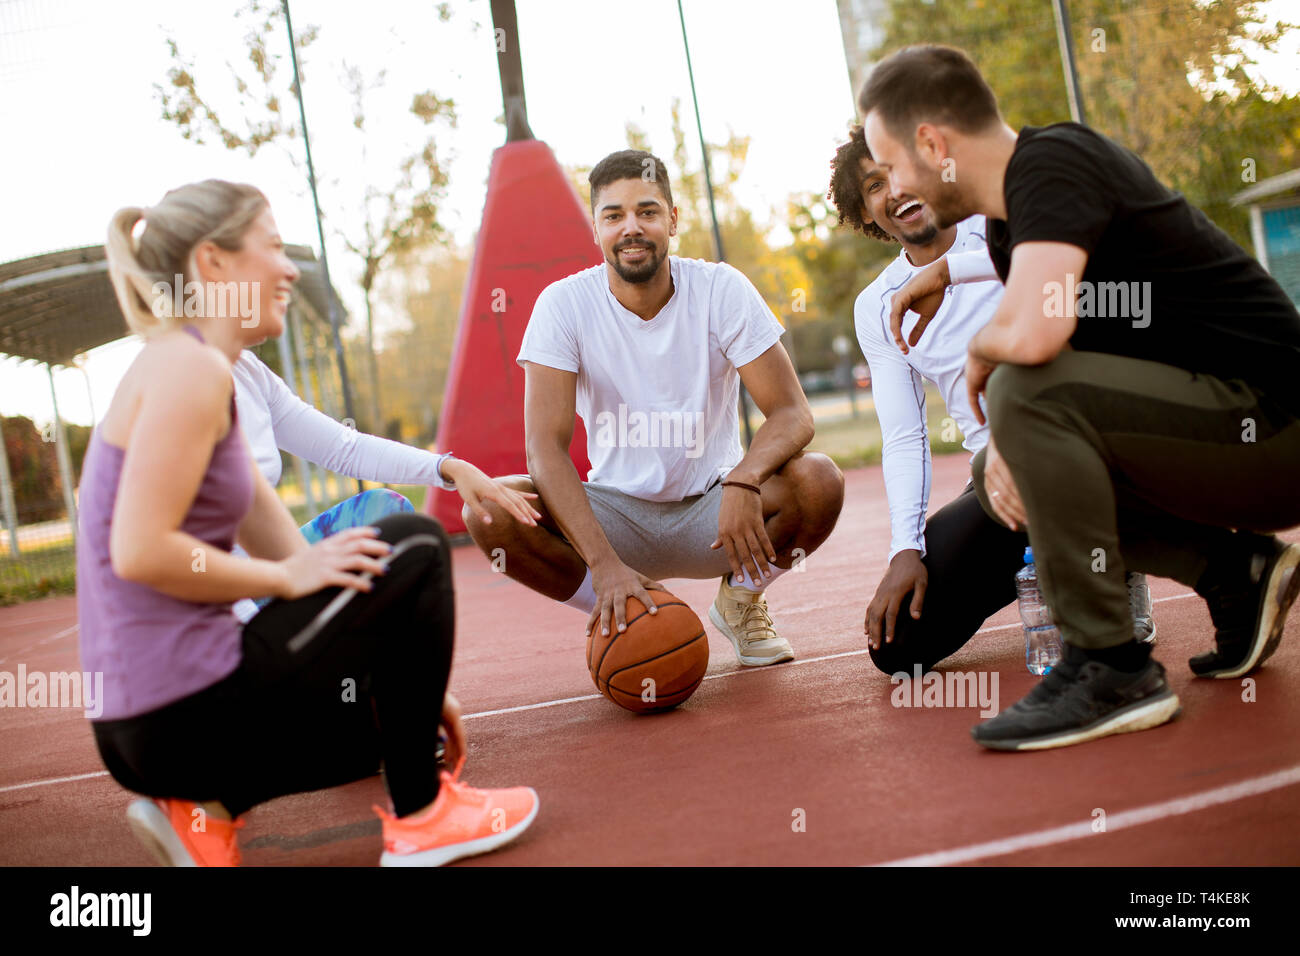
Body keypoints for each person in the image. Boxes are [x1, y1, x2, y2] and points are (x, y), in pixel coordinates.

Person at [79, 179, 538, 866]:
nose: (290, 267)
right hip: (176, 715)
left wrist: (410, 685)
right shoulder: (189, 371)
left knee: (377, 680)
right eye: (272, 245)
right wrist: (284, 574)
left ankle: (205, 817)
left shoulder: (216, 373)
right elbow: (141, 551)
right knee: (412, 545)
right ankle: (423, 817)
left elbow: (315, 572)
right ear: (214, 264)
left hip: (157, 729)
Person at [858, 45, 1300, 750]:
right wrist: (1007, 443)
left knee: (1019, 390)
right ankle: (1235, 573)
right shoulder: (1013, 226)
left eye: (890, 165)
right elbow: (1068, 361)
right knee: (994, 466)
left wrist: (981, 352)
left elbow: (1036, 334)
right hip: (1224, 432)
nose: (894, 185)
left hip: (1274, 426)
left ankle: (1110, 665)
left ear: (932, 144)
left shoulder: (1053, 163)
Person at [465, 149, 844, 665]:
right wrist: (602, 564)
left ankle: (740, 602)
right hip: (614, 516)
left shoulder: (721, 289)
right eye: (613, 215)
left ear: (672, 219)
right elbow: (544, 450)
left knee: (819, 481)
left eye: (647, 211)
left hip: (716, 515)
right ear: (595, 230)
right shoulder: (563, 305)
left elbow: (793, 414)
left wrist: (744, 478)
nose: (631, 228)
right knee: (489, 510)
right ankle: (620, 608)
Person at [825, 125, 1155, 676]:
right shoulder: (876, 305)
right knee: (899, 647)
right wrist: (904, 547)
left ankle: (1112, 566)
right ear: (864, 212)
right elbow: (905, 436)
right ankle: (1049, 564)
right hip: (1001, 479)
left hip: (1091, 437)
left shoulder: (1003, 226)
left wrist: (952, 270)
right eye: (875, 184)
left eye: (902, 169)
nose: (896, 190)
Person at [229, 350, 541, 625]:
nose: (290, 278)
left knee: (396, 522)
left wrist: (449, 468)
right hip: (221, 596)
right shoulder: (186, 382)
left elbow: (345, 448)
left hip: (271, 574)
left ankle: (393, 680)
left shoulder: (248, 371)